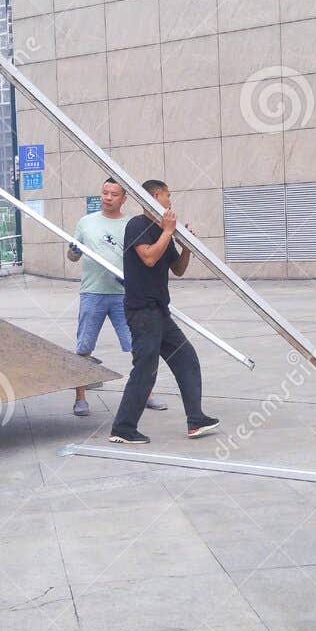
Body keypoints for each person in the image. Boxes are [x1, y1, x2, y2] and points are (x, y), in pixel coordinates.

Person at [109, 180, 217, 443]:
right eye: (168, 196)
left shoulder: (162, 230)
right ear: (156, 196)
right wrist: (168, 231)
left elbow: (177, 269)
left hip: (160, 311)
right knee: (145, 370)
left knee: (186, 359)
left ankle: (195, 419)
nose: (171, 201)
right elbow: (148, 257)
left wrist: (187, 246)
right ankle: (122, 428)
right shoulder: (137, 225)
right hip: (142, 312)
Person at [66, 179, 167, 417]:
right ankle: (80, 398)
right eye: (104, 193)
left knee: (139, 347)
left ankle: (146, 394)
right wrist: (74, 251)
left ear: (124, 198)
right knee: (84, 346)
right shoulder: (86, 223)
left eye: (113, 194)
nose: (107, 197)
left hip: (124, 295)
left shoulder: (131, 225)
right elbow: (72, 257)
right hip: (93, 293)